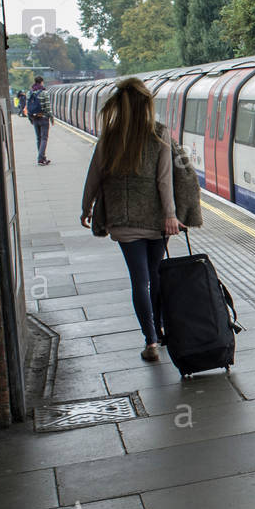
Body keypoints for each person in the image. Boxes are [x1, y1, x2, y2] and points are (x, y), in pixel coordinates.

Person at [79, 78, 181, 362]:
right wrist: (171, 215)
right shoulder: (159, 135)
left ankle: (150, 341)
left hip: (123, 222)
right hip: (157, 222)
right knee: (156, 276)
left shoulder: (110, 138)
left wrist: (86, 208)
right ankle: (160, 332)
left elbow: (94, 177)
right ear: (147, 106)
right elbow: (165, 181)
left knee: (140, 281)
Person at [27, 76, 52, 165]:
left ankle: (43, 158)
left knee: (39, 139)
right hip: (43, 118)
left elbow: (28, 106)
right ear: (41, 82)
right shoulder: (44, 93)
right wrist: (51, 117)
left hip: (35, 118)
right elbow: (48, 108)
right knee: (44, 138)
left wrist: (30, 118)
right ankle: (41, 159)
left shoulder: (29, 93)